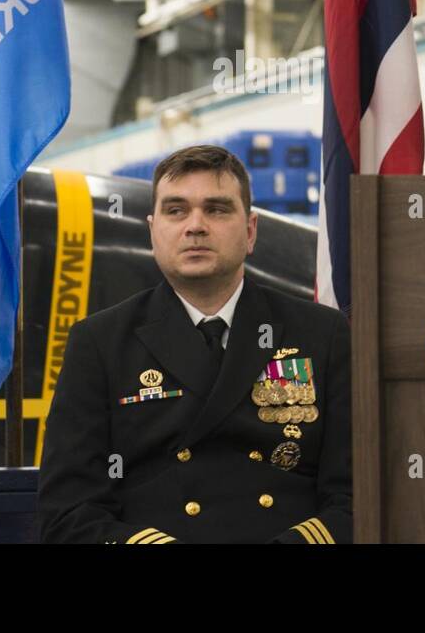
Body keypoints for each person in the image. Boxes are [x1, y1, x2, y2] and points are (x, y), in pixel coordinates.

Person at [38, 145, 351, 544]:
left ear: (251, 231)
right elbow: (68, 510)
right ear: (153, 230)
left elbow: (353, 494)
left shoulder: (322, 334)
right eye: (176, 210)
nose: (196, 226)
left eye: (217, 209)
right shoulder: (99, 343)